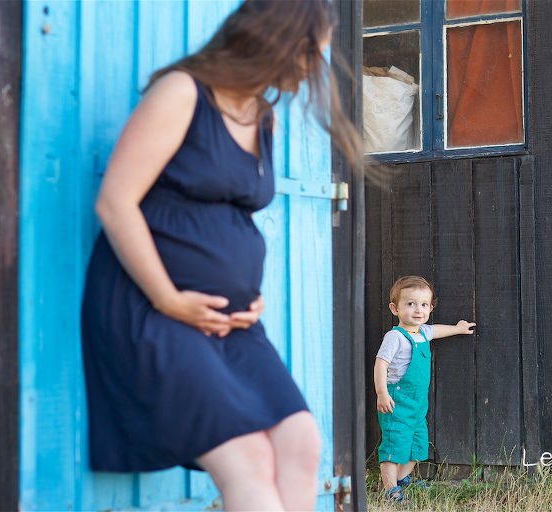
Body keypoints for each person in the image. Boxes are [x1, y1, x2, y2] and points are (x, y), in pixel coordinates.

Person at [80, 1, 362, 510]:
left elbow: (232, 223)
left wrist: (248, 297)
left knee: (301, 443)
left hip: (230, 324)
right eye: (309, 54)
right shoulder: (183, 93)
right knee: (248, 458)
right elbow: (115, 201)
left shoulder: (263, 116)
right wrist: (169, 300)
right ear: (275, 39)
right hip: (152, 309)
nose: (312, 69)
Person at [373, 276, 476, 502]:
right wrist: (382, 392)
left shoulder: (422, 332)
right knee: (395, 443)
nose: (417, 310)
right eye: (410, 304)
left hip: (417, 405)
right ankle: (389, 489)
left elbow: (437, 330)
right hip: (396, 402)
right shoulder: (395, 337)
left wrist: (457, 329)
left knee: (417, 444)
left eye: (423, 305)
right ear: (395, 308)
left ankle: (400, 480)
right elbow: (381, 364)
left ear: (430, 308)